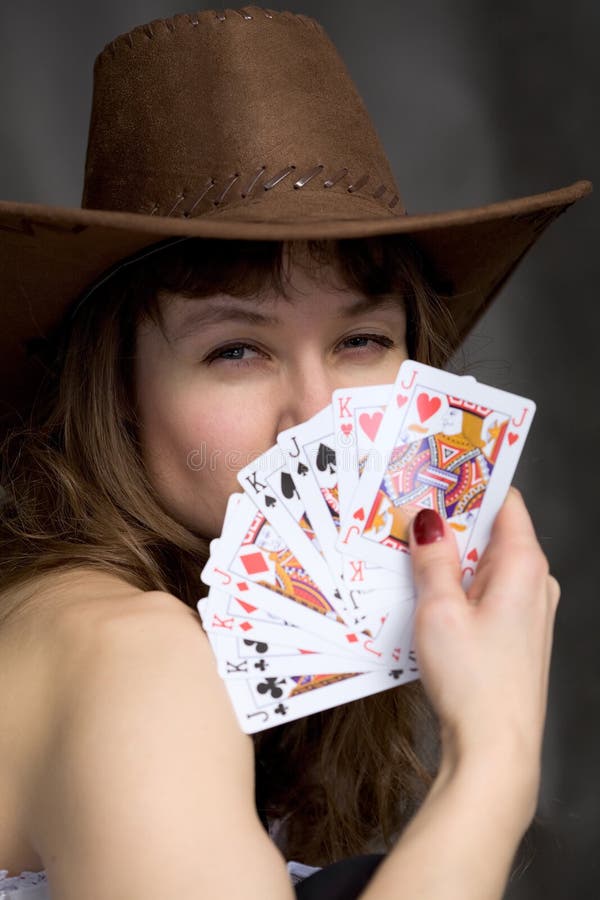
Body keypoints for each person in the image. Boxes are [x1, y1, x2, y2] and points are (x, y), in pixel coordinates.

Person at [0, 8, 590, 900]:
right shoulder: (134, 660)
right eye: (235, 350)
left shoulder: (101, 626)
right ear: (117, 393)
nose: (315, 420)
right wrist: (496, 756)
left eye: (361, 341)